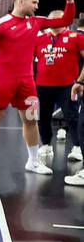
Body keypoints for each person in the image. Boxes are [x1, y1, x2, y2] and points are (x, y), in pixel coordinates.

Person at [0, 0, 75, 176]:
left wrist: (70, 2)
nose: (37, 6)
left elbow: (66, 19)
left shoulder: (37, 22)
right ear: (21, 2)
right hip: (3, 79)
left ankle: (32, 161)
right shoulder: (0, 24)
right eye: (34, 2)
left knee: (31, 119)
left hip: (27, 80)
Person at [34, 13, 84, 166]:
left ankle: (77, 147)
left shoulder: (76, 37)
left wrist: (81, 80)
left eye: (59, 18)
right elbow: (30, 60)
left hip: (67, 86)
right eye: (53, 19)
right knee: (43, 117)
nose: (56, 21)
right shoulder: (39, 38)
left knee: (72, 117)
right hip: (43, 85)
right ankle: (46, 145)